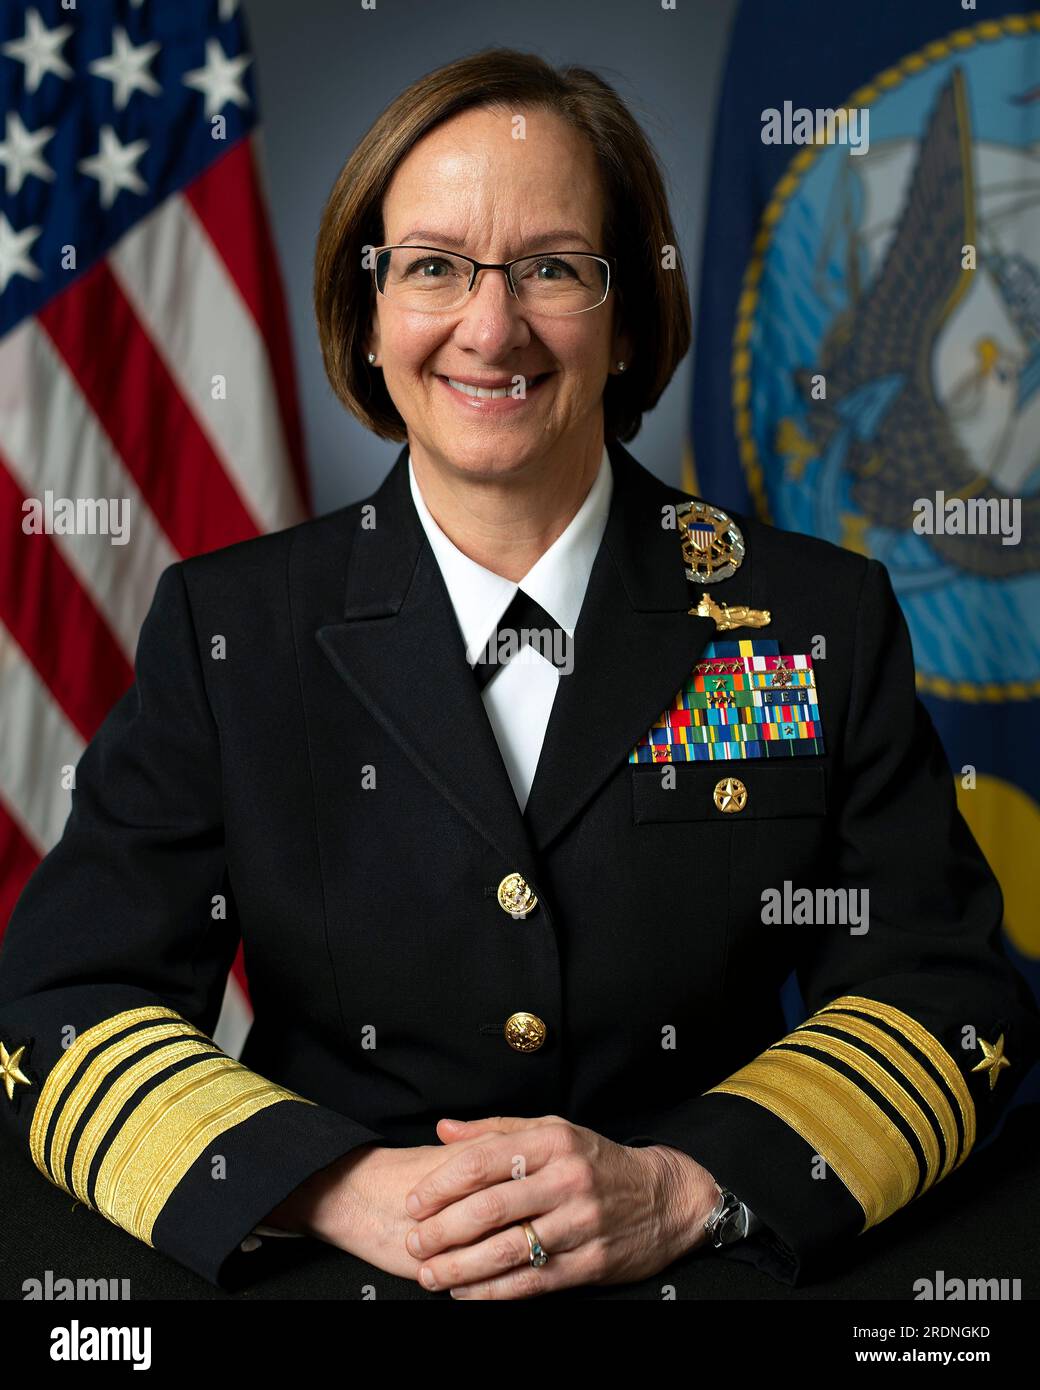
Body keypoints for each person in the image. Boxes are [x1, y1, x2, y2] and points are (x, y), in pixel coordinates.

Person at [1, 47, 1037, 1302]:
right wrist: (327, 1183)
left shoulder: (816, 618)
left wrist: (683, 1187)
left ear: (630, 321)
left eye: (552, 268)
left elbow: (942, 983)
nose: (489, 328)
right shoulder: (233, 633)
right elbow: (65, 992)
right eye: (432, 267)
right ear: (368, 313)